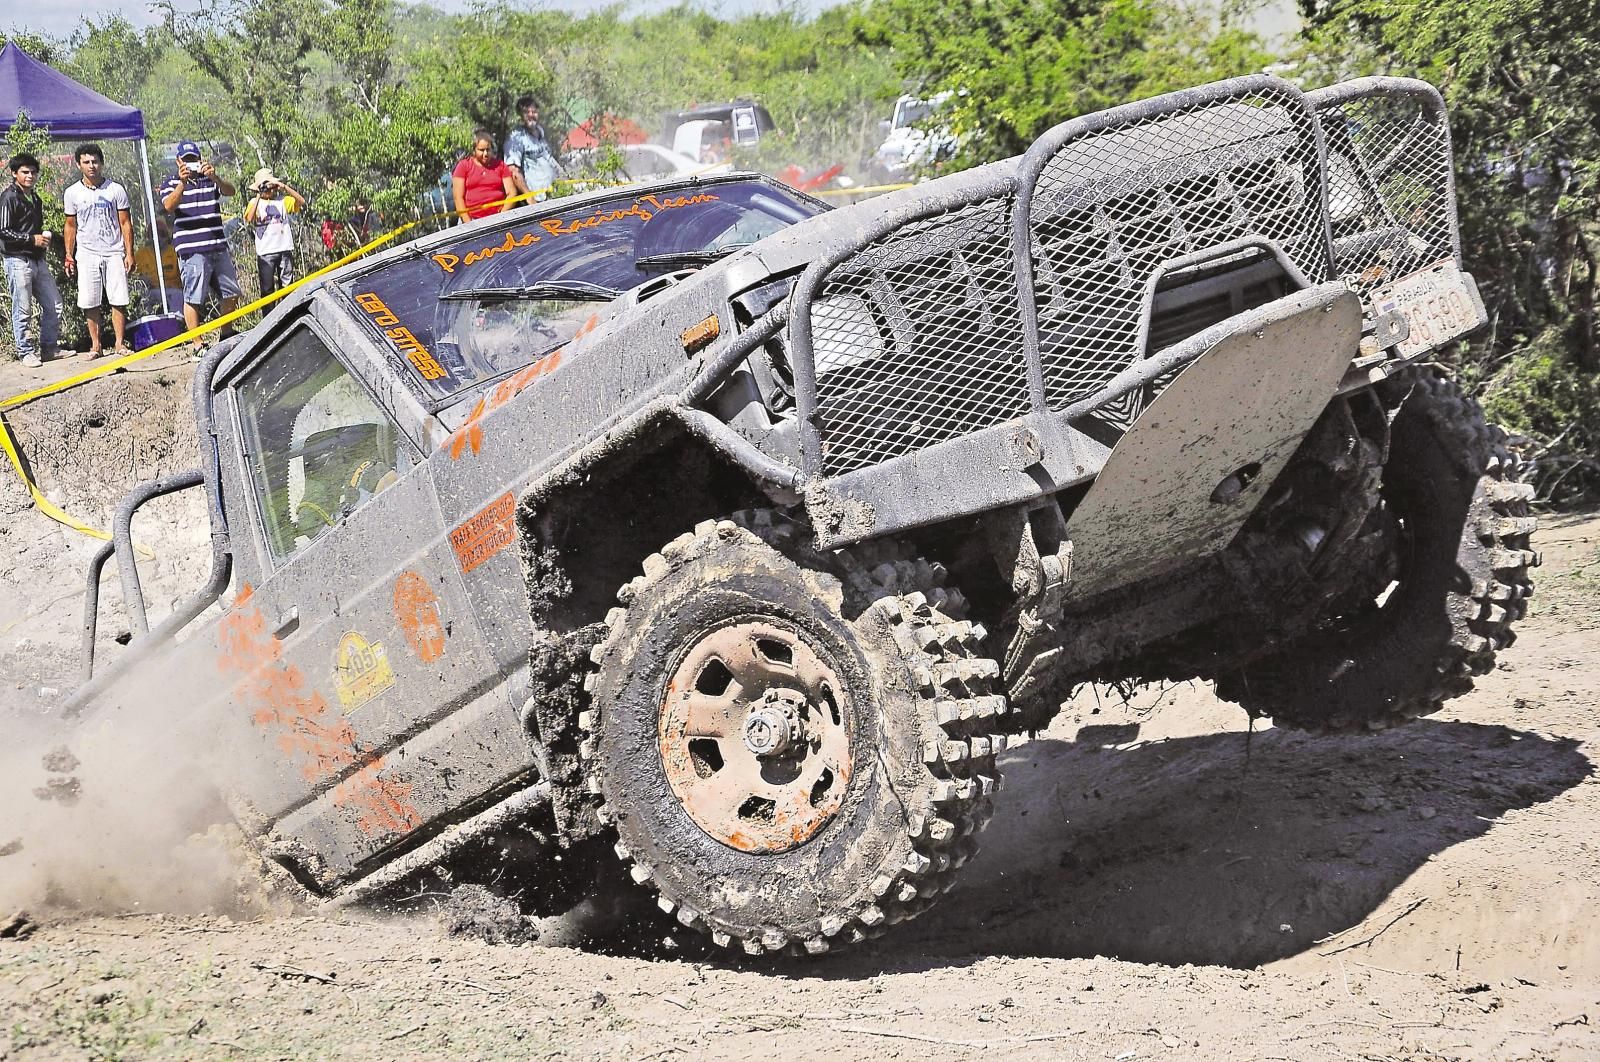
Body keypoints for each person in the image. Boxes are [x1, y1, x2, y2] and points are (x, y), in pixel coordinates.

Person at [159, 139, 240, 352]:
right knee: (194, 296)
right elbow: (168, 205)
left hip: (217, 245)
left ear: (200, 159)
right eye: (186, 160)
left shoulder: (209, 178)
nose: (191, 164)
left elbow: (231, 191)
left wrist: (216, 177)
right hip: (191, 249)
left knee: (231, 292)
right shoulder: (171, 182)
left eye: (194, 159)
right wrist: (182, 184)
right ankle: (197, 344)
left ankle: (226, 333)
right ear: (178, 162)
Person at [63, 143, 135, 360]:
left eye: (95, 161)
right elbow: (70, 225)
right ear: (79, 165)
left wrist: (129, 253)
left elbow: (125, 223)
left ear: (101, 163)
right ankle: (96, 345)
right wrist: (69, 254)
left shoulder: (115, 189)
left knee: (118, 298)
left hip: (113, 250)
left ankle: (120, 343)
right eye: (86, 162)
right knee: (89, 300)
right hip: (86, 252)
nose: (91, 166)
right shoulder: (72, 193)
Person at [0, 152, 62, 368]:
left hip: (36, 259)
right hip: (17, 260)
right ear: (14, 173)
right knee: (22, 309)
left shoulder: (34, 198)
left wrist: (43, 239)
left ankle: (49, 347)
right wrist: (31, 239)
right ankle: (25, 351)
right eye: (25, 172)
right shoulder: (9, 197)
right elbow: (4, 231)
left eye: (34, 172)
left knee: (54, 304)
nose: (30, 176)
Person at [243, 167, 305, 297]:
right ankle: (270, 315)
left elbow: (301, 202)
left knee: (288, 288)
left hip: (284, 248)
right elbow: (249, 218)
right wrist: (259, 195)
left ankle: (290, 315)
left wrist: (284, 187)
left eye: (271, 186)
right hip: (266, 252)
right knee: (267, 290)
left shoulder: (282, 201)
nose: (269, 190)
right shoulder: (254, 202)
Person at [504, 96, 561, 203]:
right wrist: (529, 197)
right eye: (527, 112)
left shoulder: (540, 132)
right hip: (537, 200)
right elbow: (513, 171)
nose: (531, 115)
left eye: (534, 111)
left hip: (553, 195)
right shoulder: (515, 138)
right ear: (520, 115)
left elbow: (549, 159)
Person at [451, 131, 516, 223]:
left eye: (488, 150)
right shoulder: (463, 166)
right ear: (474, 150)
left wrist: (501, 217)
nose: (485, 154)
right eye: (481, 150)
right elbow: (458, 197)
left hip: (498, 219)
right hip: (472, 220)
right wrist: (469, 224)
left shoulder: (501, 166)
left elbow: (512, 192)